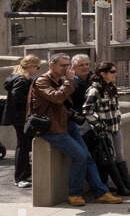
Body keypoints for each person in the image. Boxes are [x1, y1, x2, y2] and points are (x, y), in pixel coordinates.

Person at [27, 54, 118, 206]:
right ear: (51, 65)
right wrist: (69, 81)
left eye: (68, 65)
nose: (67, 68)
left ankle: (101, 192)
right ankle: (74, 194)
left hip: (67, 124)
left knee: (88, 158)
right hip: (52, 128)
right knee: (80, 156)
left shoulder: (62, 80)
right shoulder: (42, 81)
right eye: (63, 65)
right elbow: (57, 98)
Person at [82, 60, 130, 196]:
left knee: (120, 156)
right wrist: (99, 124)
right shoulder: (94, 90)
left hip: (115, 128)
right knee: (110, 158)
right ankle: (121, 188)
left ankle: (128, 186)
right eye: (112, 72)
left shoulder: (111, 87)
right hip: (104, 130)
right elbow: (86, 111)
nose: (115, 74)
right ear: (103, 74)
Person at [3, 55, 41, 189]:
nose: (37, 69)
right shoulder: (21, 79)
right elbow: (16, 96)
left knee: (24, 146)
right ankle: (20, 177)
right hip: (21, 118)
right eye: (37, 67)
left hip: (19, 117)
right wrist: (32, 100)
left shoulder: (18, 76)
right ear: (30, 66)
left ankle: (24, 175)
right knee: (23, 147)